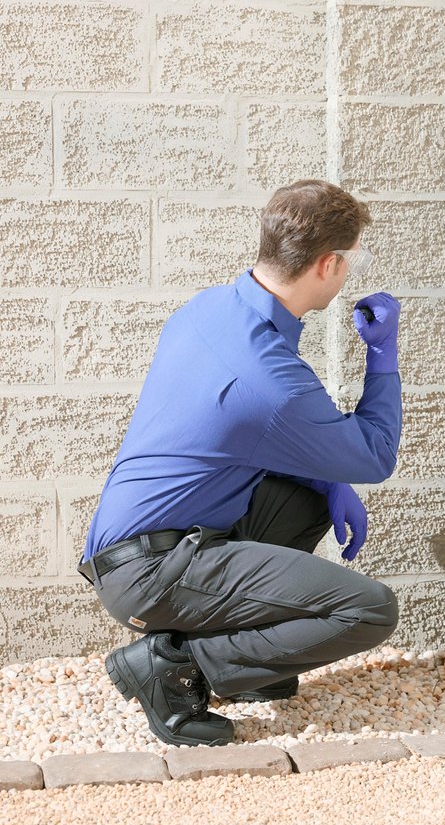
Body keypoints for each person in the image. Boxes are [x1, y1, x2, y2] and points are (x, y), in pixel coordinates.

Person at [77, 179, 402, 748]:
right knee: (370, 610)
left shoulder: (209, 309)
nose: (351, 270)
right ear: (327, 264)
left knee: (307, 498)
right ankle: (174, 668)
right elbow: (374, 455)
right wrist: (381, 354)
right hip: (151, 572)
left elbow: (246, 433)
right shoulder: (271, 379)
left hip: (143, 546)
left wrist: (329, 483)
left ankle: (252, 665)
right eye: (352, 259)